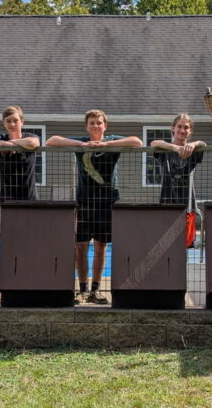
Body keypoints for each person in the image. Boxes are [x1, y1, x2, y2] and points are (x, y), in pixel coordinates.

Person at [47, 110, 142, 304]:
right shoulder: (81, 142)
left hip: (107, 202)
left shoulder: (112, 141)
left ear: (105, 126)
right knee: (80, 247)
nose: (96, 126)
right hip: (84, 201)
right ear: (86, 126)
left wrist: (106, 144)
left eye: (99, 123)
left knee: (101, 247)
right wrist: (81, 145)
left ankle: (95, 290)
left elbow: (137, 142)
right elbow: (51, 141)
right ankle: (82, 290)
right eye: (92, 123)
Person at [150, 113, 206, 208]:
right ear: (173, 128)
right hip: (166, 202)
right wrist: (175, 148)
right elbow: (153, 143)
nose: (182, 130)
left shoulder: (193, 150)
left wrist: (193, 144)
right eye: (179, 126)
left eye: (186, 127)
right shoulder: (165, 149)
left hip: (188, 203)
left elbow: (203, 144)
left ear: (190, 131)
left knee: (189, 223)